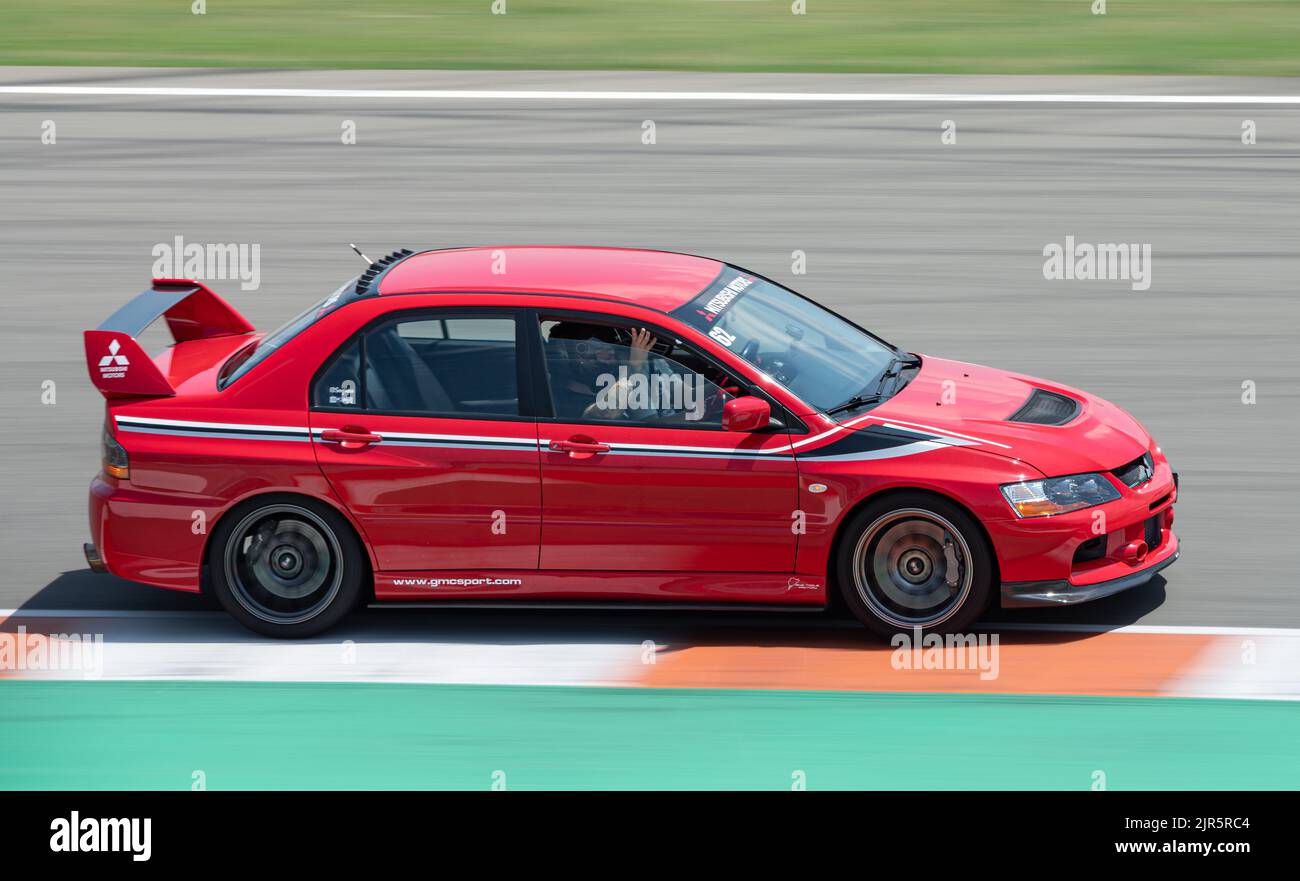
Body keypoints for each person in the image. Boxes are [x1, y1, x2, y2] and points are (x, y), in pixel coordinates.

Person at [546, 323, 661, 421]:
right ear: (577, 354)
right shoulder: (560, 397)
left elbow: (650, 421)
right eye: (600, 347)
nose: (611, 351)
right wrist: (634, 365)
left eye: (610, 344)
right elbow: (607, 412)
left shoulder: (607, 383)